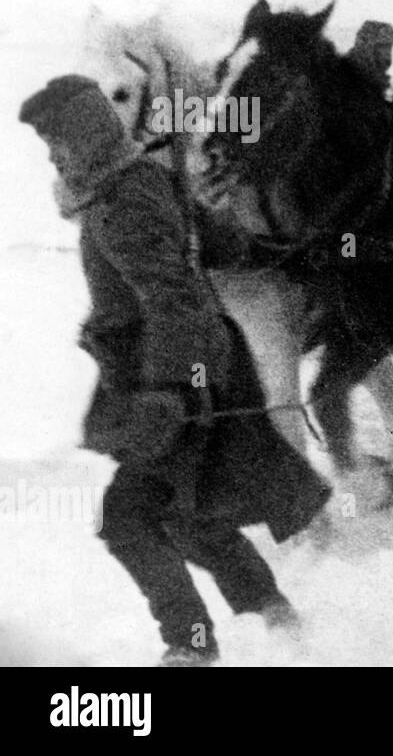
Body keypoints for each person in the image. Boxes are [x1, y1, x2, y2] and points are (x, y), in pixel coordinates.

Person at [19, 75, 331, 666]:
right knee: (190, 511)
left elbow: (173, 300)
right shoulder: (146, 183)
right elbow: (228, 249)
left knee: (127, 519)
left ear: (85, 136)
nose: (54, 156)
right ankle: (276, 616)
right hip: (197, 367)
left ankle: (189, 646)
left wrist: (166, 395)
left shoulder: (123, 202)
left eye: (57, 141)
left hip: (178, 377)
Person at [346, 20, 393, 93]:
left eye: (389, 47)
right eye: (382, 46)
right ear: (367, 44)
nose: (388, 52)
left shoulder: (380, 79)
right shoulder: (347, 74)